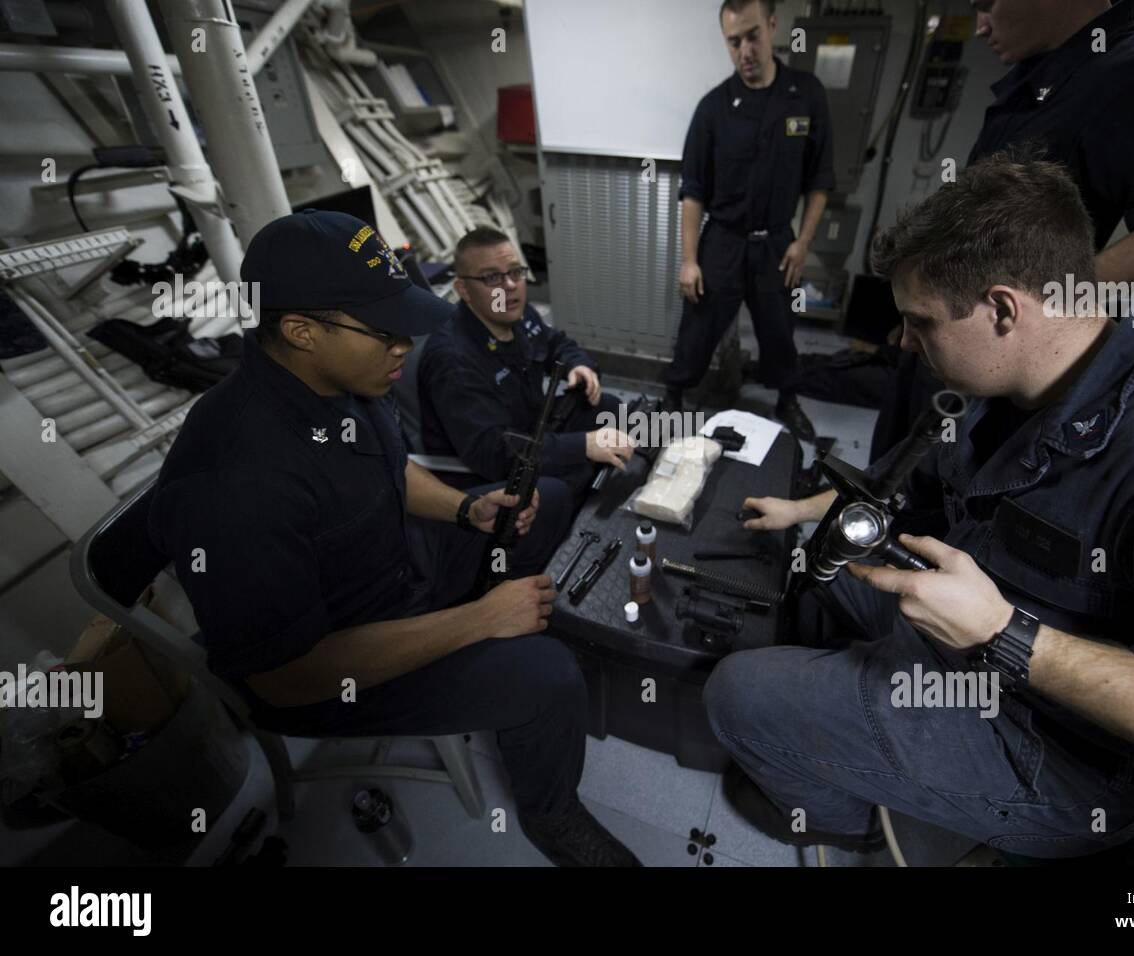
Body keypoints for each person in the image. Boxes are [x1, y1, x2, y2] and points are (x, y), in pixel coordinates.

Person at [713, 155, 1134, 857]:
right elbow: (921, 487)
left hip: (1061, 747)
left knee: (736, 695)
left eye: (919, 321)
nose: (903, 342)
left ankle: (859, 822)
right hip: (971, 622)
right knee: (816, 566)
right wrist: (807, 509)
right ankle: (842, 726)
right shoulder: (1014, 388)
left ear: (1001, 309)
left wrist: (1006, 634)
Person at [149, 210, 639, 867]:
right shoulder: (234, 480)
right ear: (299, 330)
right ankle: (552, 814)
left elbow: (392, 469)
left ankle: (491, 622)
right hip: (340, 662)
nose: (404, 348)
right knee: (550, 675)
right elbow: (290, 676)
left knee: (540, 499)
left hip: (397, 568)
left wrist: (469, 512)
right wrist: (479, 621)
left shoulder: (344, 379)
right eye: (385, 332)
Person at [869, 0, 1134, 484]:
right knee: (899, 468)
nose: (980, 26)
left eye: (987, 5)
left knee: (947, 492)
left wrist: (1049, 303)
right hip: (957, 325)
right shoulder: (1037, 77)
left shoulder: (1132, 79)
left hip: (997, 346)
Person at [662, 0, 835, 442]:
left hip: (778, 244)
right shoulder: (712, 109)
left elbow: (820, 182)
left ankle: (787, 400)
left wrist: (803, 244)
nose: (745, 50)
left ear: (773, 27)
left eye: (753, 35)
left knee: (779, 329)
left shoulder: (806, 94)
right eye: (734, 41)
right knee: (697, 329)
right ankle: (674, 397)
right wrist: (688, 260)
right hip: (722, 240)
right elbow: (693, 191)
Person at [416, 227, 634, 503]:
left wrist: (576, 366)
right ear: (463, 289)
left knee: (609, 408)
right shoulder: (452, 359)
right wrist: (583, 446)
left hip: (531, 428)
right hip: (491, 465)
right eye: (492, 277)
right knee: (559, 488)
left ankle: (589, 486)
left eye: (516, 272)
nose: (509, 285)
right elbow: (492, 453)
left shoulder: (512, 312)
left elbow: (556, 343)